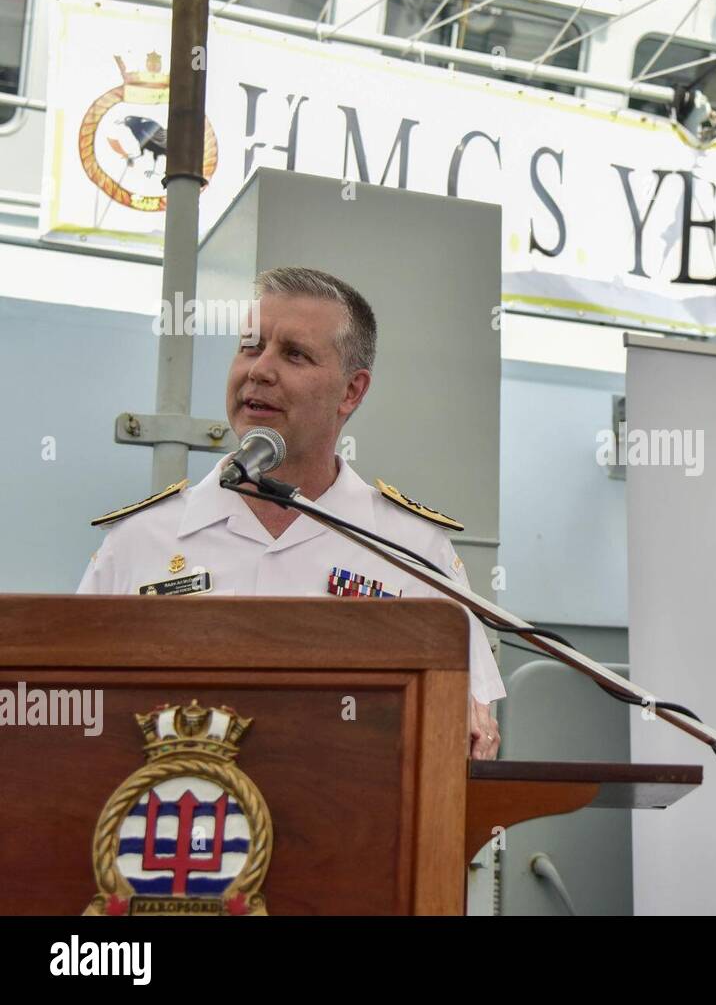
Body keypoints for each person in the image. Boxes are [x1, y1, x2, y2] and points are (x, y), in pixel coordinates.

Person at [77, 267, 503, 759]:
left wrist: (467, 724)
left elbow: (470, 735)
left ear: (352, 391)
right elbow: (74, 712)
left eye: (294, 354)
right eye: (251, 347)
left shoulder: (414, 551)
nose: (258, 370)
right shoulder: (140, 540)